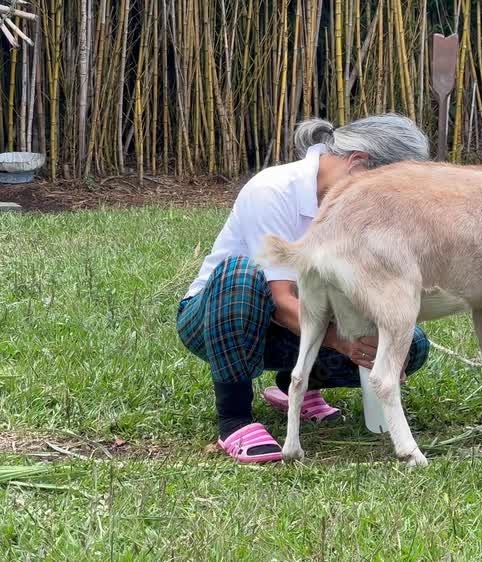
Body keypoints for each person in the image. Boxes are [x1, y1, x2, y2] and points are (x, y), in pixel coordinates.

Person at [176, 114, 432, 463]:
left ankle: (295, 388)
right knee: (241, 275)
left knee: (411, 343)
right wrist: (345, 342)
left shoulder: (360, 214)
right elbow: (282, 300)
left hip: (302, 328)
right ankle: (234, 419)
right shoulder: (273, 190)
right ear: (358, 164)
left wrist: (382, 341)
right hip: (221, 318)